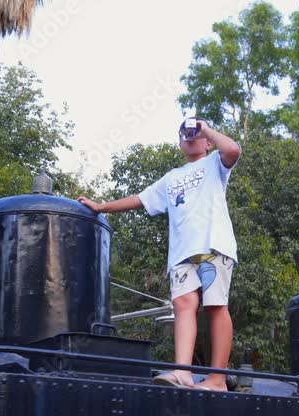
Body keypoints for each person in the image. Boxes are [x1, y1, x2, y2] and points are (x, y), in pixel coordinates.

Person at [78, 118, 241, 391]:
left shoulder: (214, 162)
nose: (190, 136)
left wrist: (205, 128)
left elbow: (233, 150)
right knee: (183, 306)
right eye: (185, 133)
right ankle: (183, 372)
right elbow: (139, 199)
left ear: (207, 142)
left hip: (213, 245)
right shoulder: (171, 178)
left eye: (196, 133)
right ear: (179, 143)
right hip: (181, 252)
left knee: (215, 306)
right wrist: (101, 207)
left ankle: (217, 379)